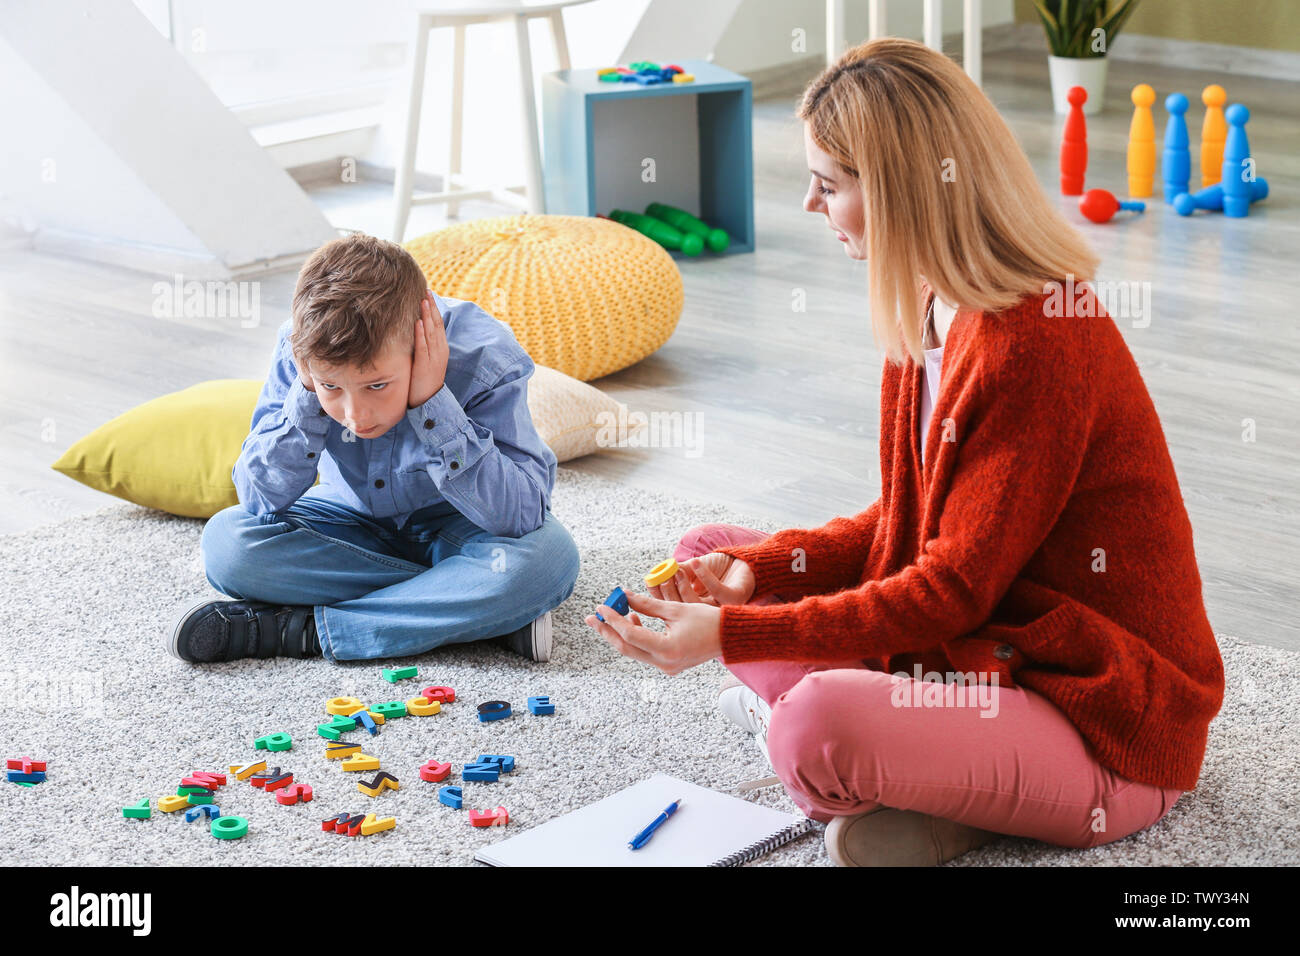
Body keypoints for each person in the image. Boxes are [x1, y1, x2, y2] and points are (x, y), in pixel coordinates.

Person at [584, 38, 1224, 866]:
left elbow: (951, 586)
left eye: (830, 185)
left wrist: (730, 638)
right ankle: (945, 797)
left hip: (1097, 718)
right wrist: (759, 580)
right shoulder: (931, 303)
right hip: (979, 657)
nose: (813, 208)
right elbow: (911, 518)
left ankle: (955, 786)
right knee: (712, 553)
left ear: (901, 193)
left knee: (815, 724)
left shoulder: (1033, 342)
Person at [169, 233, 579, 664]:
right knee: (228, 545)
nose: (356, 414)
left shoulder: (486, 354)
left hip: (464, 528)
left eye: (377, 385)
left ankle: (303, 630)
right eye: (333, 387)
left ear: (418, 346)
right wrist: (308, 392)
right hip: (350, 524)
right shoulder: (300, 346)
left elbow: (521, 513)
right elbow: (258, 498)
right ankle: (472, 611)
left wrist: (433, 403)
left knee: (546, 562)